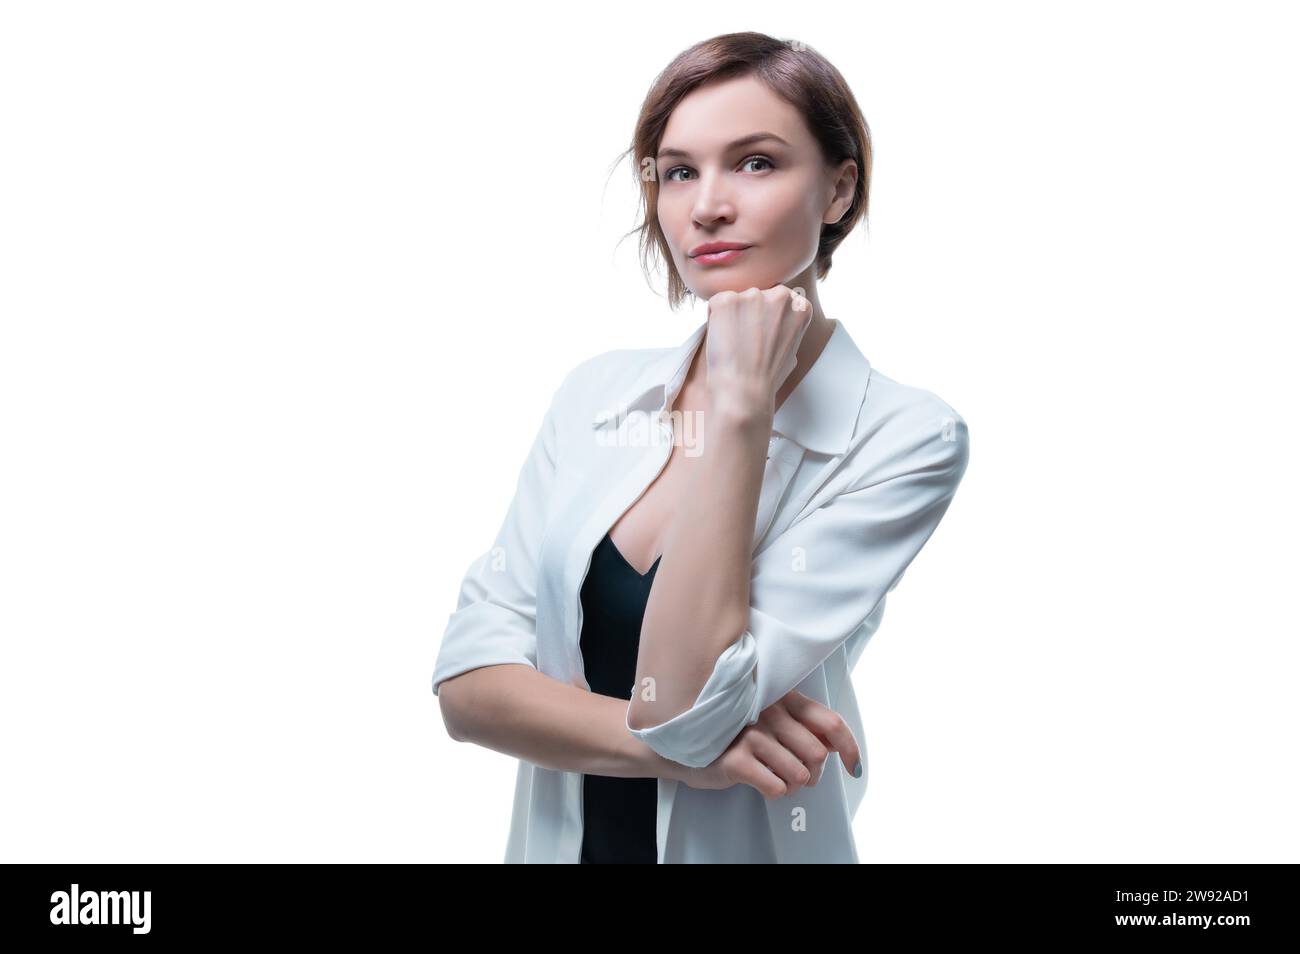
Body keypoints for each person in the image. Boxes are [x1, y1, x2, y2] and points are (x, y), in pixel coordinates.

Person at [431, 31, 970, 863]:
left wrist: (742, 408)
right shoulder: (596, 395)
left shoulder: (905, 437)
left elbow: (681, 700)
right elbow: (468, 688)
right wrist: (697, 747)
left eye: (755, 163)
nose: (705, 206)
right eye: (678, 170)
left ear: (838, 189)